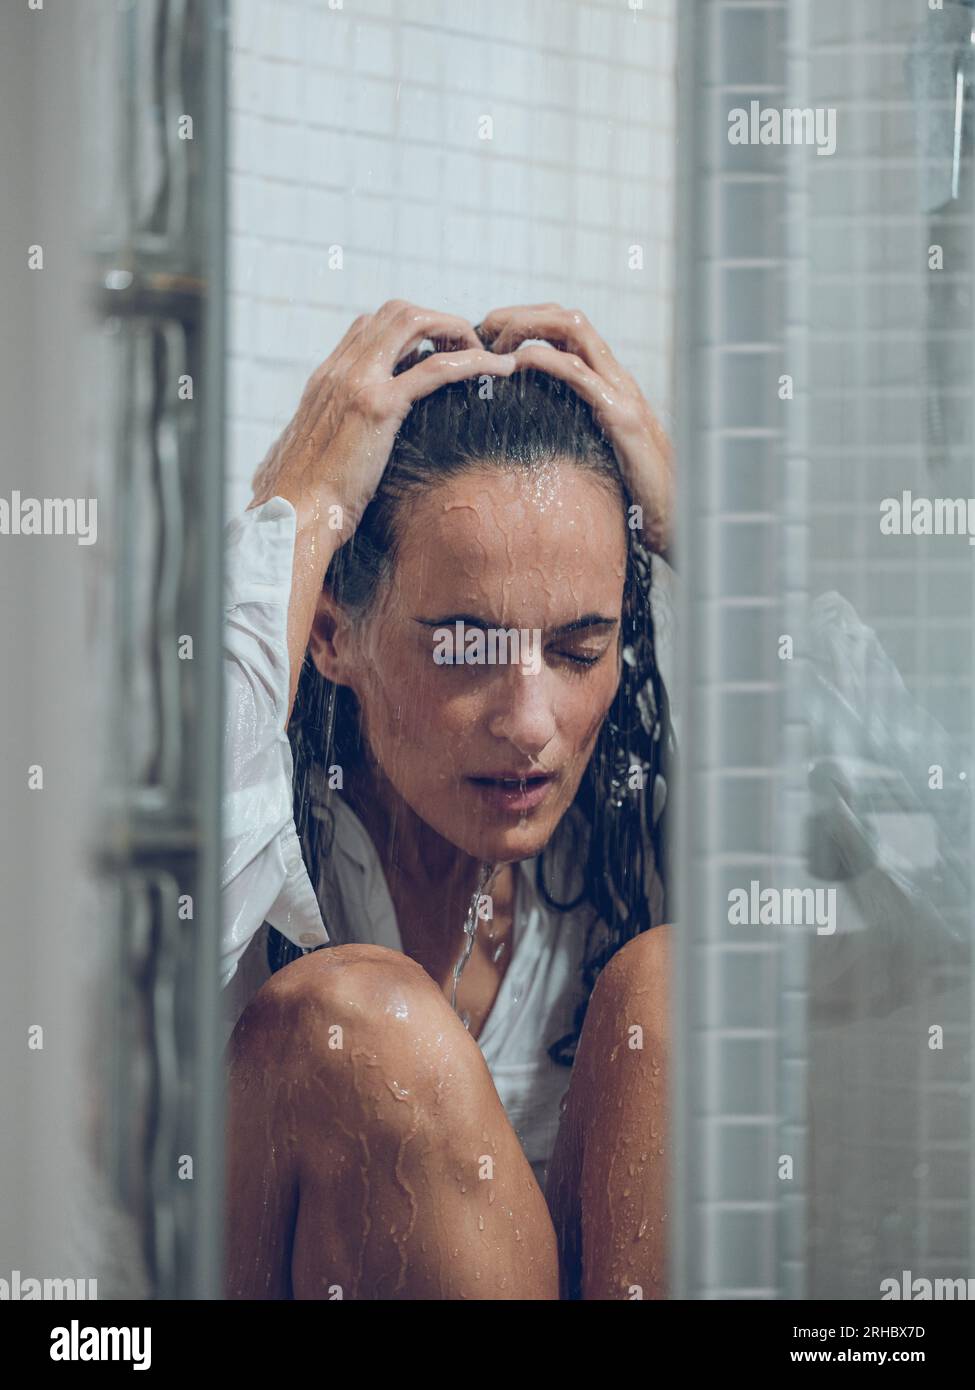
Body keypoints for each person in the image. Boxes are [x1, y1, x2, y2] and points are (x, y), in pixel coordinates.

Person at [221, 299, 677, 1299]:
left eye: (578, 650)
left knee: (680, 984)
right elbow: (123, 933)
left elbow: (924, 869)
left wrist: (695, 523)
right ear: (332, 634)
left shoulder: (620, 835)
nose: (530, 722)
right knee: (364, 1023)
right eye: (466, 645)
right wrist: (297, 504)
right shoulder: (273, 819)